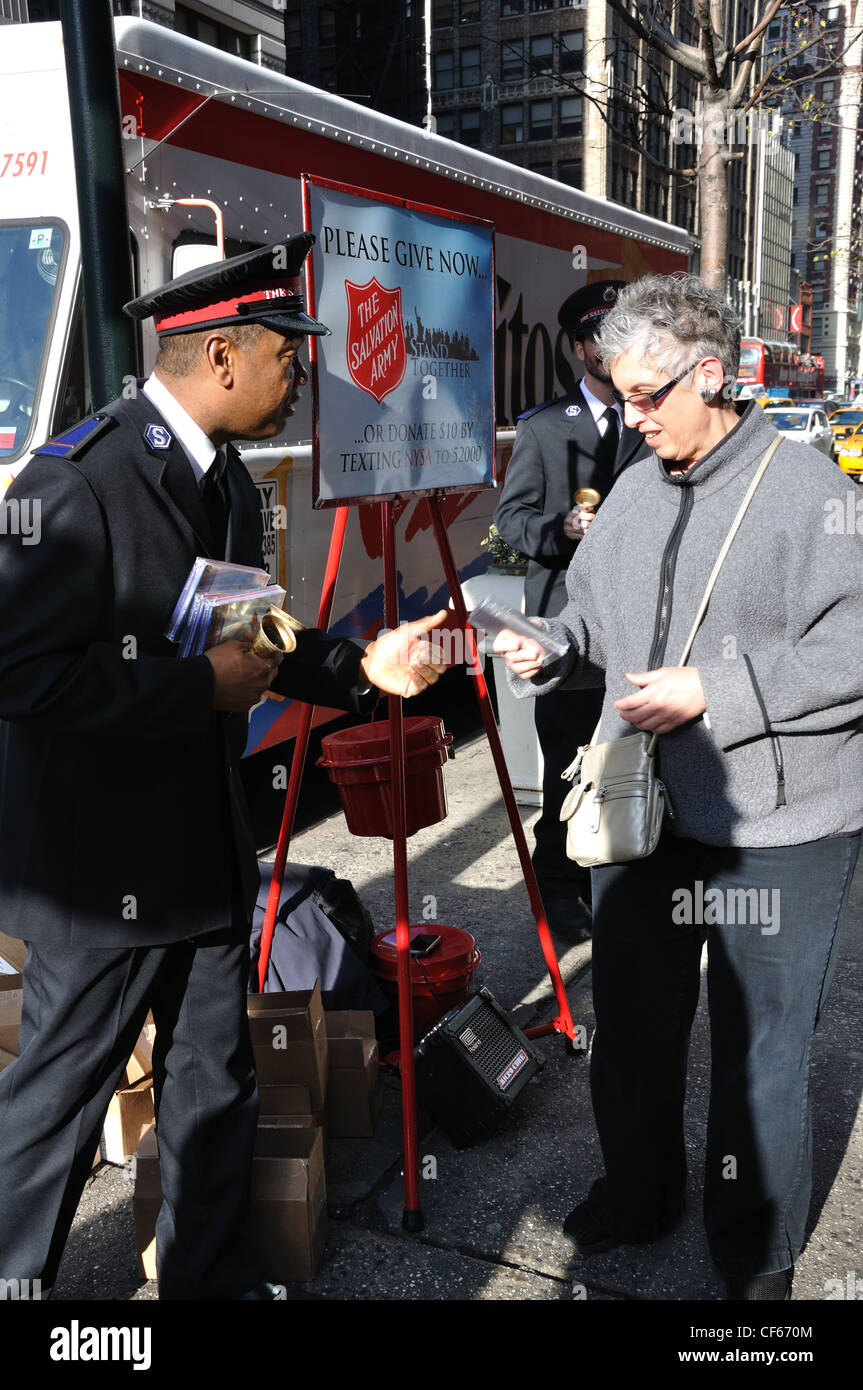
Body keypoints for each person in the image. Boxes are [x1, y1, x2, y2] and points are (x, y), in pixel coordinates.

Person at [0, 233, 448, 1300]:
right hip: (98, 873)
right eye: (288, 359)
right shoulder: (80, 482)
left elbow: (252, 631)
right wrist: (192, 690)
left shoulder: (228, 484)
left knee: (217, 1082)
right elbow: (21, 675)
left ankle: (207, 1275)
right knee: (58, 1099)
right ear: (222, 358)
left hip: (205, 851)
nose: (300, 381)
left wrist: (356, 666)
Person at [494, 273, 863, 1300]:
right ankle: (638, 1190)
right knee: (635, 1021)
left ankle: (751, 1255)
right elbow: (600, 626)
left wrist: (720, 689)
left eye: (650, 394)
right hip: (641, 810)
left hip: (780, 826)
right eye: (620, 394)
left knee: (761, 1054)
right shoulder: (633, 483)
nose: (633, 414)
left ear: (712, 373)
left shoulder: (814, 493)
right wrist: (555, 646)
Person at [494, 280, 648, 937]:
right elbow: (510, 524)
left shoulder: (650, 420)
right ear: (579, 347)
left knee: (631, 758)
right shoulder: (543, 428)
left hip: (640, 625)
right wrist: (561, 530)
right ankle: (558, 890)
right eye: (602, 338)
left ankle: (619, 879)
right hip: (563, 627)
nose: (615, 350)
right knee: (567, 765)